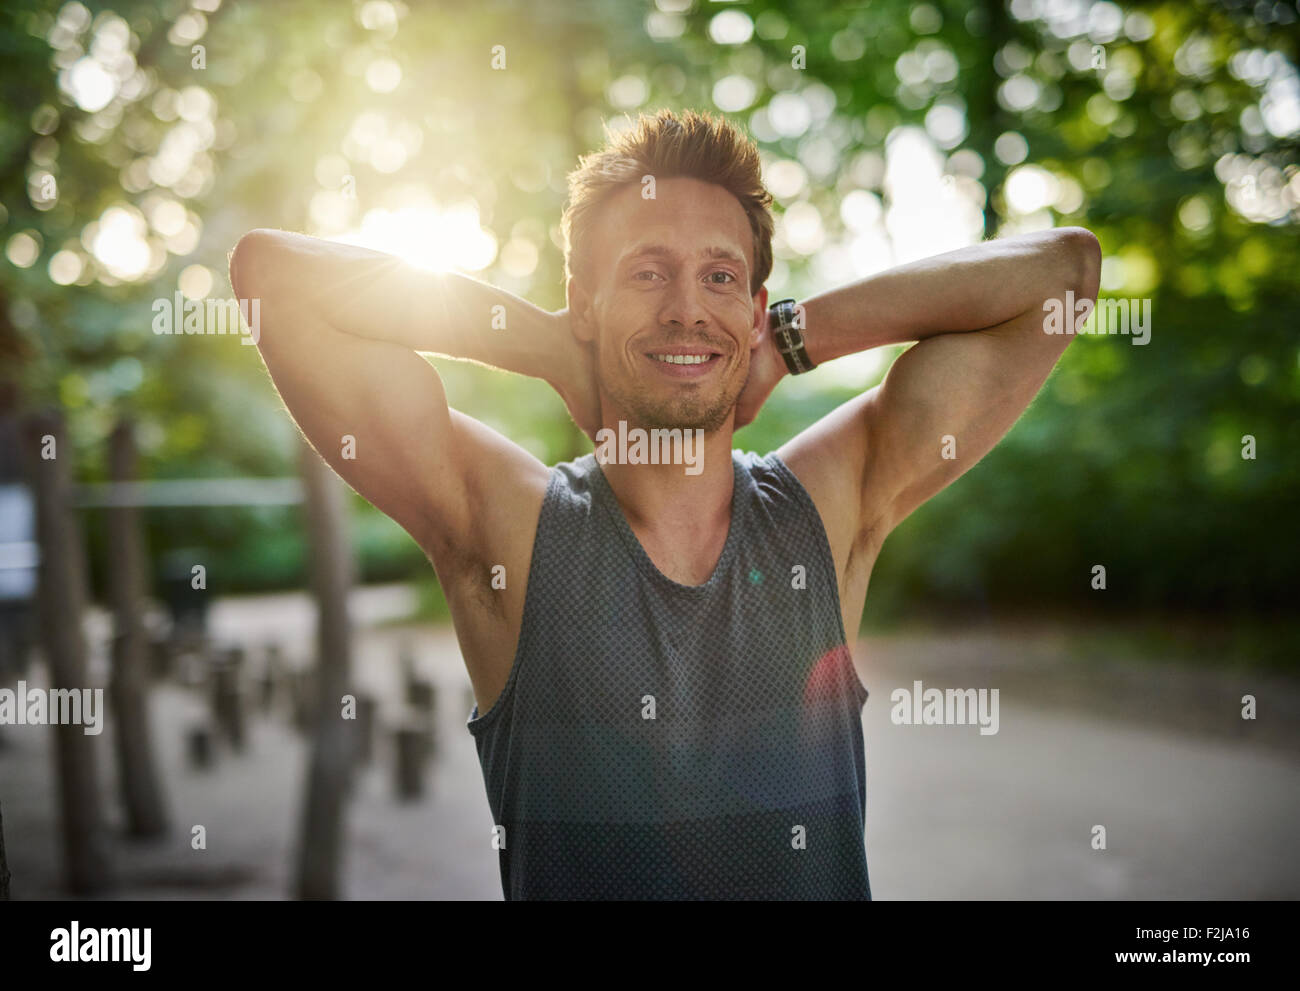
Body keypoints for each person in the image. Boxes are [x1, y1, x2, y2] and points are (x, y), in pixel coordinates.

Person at [229, 108, 1100, 899]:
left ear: (755, 308)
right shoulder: (511, 527)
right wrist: (548, 346)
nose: (687, 309)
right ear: (587, 302)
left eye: (720, 277)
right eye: (648, 273)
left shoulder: (825, 507)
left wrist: (789, 339)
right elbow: (274, 277)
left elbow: (1064, 271)